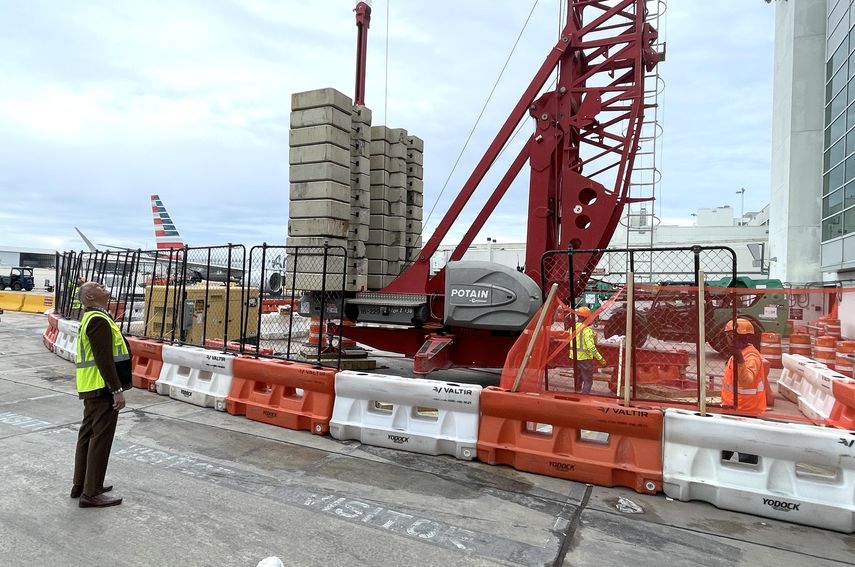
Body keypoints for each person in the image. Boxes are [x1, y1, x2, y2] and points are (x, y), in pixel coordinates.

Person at [71, 281, 130, 508]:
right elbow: (104, 360)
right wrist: (116, 390)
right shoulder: (97, 320)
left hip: (91, 387)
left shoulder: (93, 317)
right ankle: (92, 492)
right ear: (90, 298)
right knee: (100, 438)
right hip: (101, 388)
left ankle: (82, 484)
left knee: (88, 434)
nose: (103, 286)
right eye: (97, 286)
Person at [721, 317, 767, 416]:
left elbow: (746, 382)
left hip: (745, 409)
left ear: (732, 336)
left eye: (728, 335)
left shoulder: (751, 356)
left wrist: (740, 360)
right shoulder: (740, 352)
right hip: (735, 406)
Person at [568, 306, 607, 394]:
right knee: (588, 380)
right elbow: (591, 347)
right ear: (586, 318)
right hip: (585, 359)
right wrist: (600, 359)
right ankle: (584, 397)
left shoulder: (572, 328)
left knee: (578, 378)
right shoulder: (587, 331)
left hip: (574, 358)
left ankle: (577, 393)